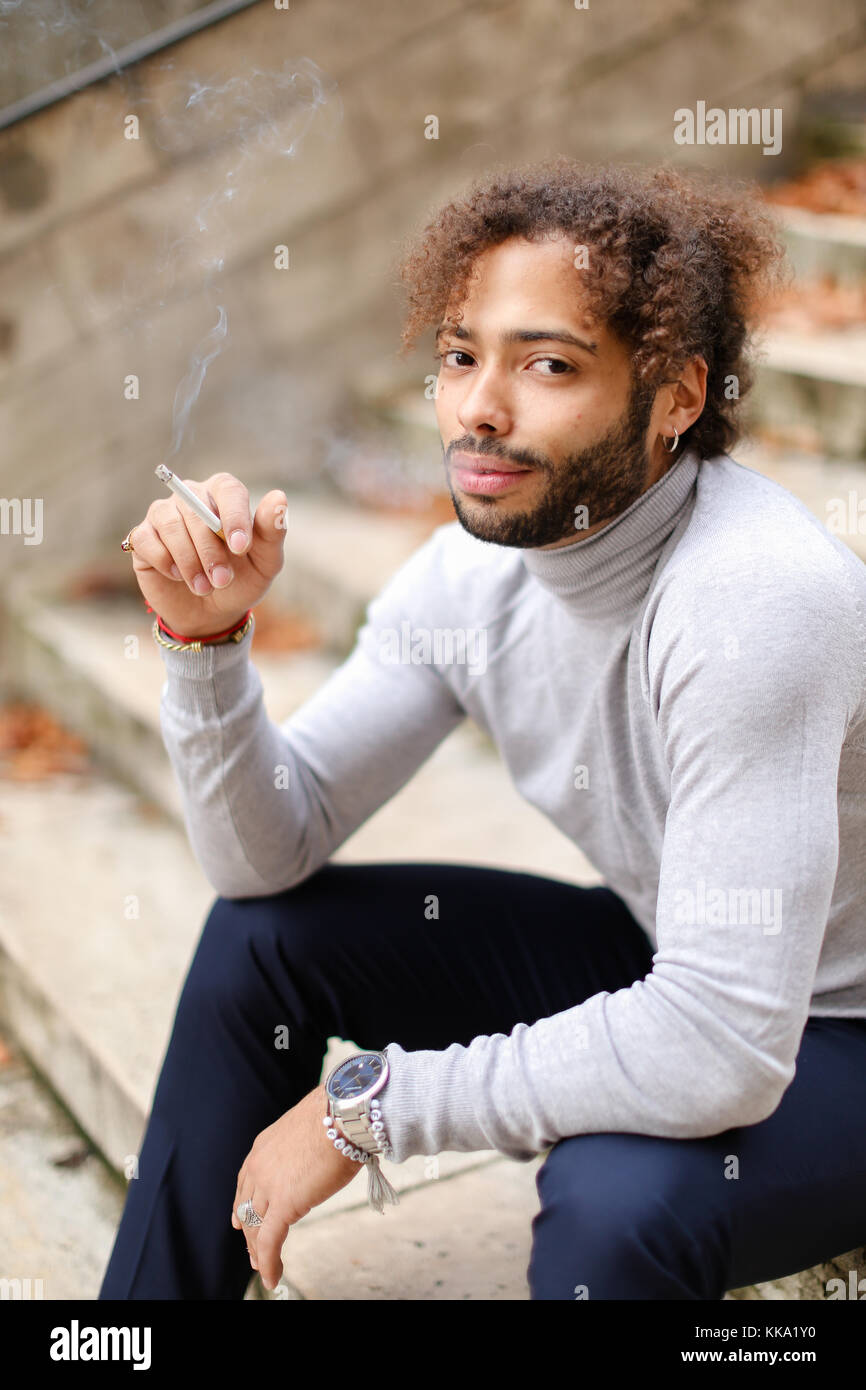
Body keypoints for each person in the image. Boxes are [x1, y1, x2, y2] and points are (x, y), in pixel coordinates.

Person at [100, 158, 866, 1301]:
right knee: (261, 940)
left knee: (612, 1202)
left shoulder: (754, 596)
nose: (477, 408)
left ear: (675, 397)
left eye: (545, 363)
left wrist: (374, 1105)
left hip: (836, 1025)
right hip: (686, 955)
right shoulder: (473, 577)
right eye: (462, 355)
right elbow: (267, 851)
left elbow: (717, 1043)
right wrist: (205, 647)